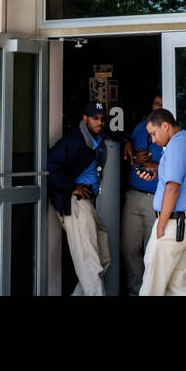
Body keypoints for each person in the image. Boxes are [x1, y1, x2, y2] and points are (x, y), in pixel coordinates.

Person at [46, 100, 111, 295]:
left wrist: (127, 144)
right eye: (95, 118)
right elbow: (51, 164)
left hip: (87, 204)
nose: (100, 122)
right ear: (84, 119)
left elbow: (116, 136)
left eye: (102, 119)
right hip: (75, 205)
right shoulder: (74, 140)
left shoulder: (95, 138)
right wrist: (72, 187)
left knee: (103, 257)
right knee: (89, 263)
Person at [139, 108, 186, 297]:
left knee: (152, 287)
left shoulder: (176, 147)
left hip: (173, 224)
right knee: (176, 287)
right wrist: (159, 172)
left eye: (153, 133)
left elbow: (172, 188)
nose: (153, 140)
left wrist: (161, 224)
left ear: (165, 126)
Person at [121, 92, 164, 294]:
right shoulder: (142, 126)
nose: (158, 107)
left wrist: (152, 164)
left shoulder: (169, 133)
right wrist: (129, 145)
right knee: (128, 247)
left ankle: (149, 291)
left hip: (154, 198)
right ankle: (134, 290)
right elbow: (127, 138)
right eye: (156, 103)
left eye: (162, 105)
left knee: (151, 251)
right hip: (133, 194)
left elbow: (174, 167)